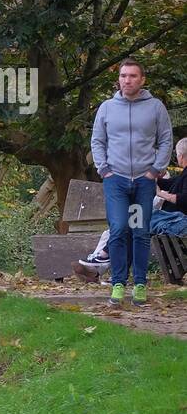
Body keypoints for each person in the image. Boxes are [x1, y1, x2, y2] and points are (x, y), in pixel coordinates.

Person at [90, 59, 173, 306]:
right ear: (119, 79)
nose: (127, 80)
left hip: (143, 183)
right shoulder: (106, 108)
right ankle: (118, 283)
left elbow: (166, 140)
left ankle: (139, 284)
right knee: (117, 229)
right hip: (117, 182)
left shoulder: (155, 107)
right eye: (123, 76)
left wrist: (155, 170)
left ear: (142, 79)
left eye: (133, 76)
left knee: (140, 232)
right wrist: (104, 169)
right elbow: (98, 141)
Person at [75, 136, 187, 282]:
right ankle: (109, 266)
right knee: (131, 224)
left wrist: (162, 194)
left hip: (174, 221)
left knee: (132, 223)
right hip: (168, 219)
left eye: (177, 155)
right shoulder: (183, 175)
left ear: (182, 156)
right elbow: (169, 183)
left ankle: (105, 261)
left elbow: (184, 199)